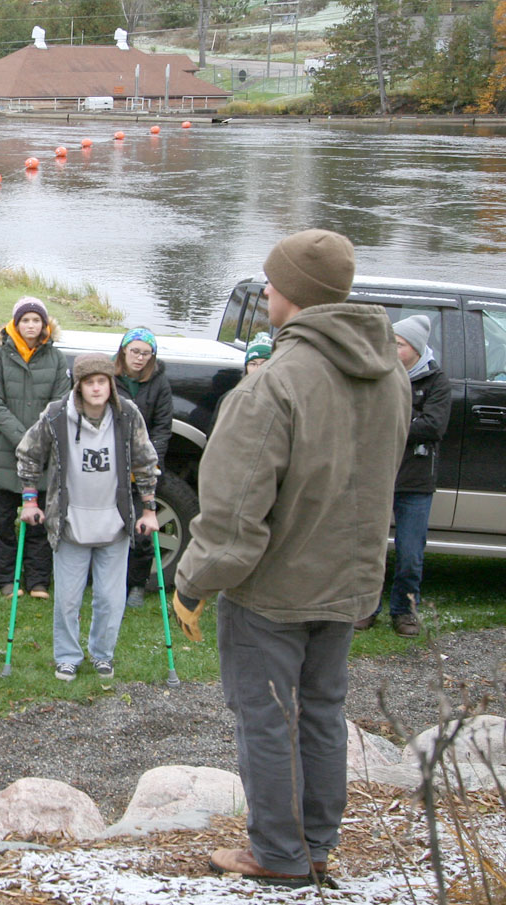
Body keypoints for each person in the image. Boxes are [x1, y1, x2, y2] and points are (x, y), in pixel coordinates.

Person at [172, 229, 409, 887]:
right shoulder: (390, 372)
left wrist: (192, 582)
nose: (268, 292)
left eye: (273, 282)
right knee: (324, 712)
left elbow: (233, 514)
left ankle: (279, 853)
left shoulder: (276, 383)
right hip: (348, 582)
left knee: (269, 719)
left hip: (274, 590)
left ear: (293, 294)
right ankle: (315, 845)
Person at [16, 354, 159, 685]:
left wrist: (149, 509)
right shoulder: (56, 415)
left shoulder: (128, 415)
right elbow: (28, 454)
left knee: (110, 599)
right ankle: (67, 657)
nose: (96, 388)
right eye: (89, 382)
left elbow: (145, 460)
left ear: (111, 385)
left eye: (102, 382)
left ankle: (102, 653)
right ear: (78, 386)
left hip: (114, 524)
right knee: (67, 599)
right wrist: (29, 500)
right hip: (70, 524)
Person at [356, 314, 450, 637]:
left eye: (400, 344)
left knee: (410, 554)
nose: (393, 349)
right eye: (391, 342)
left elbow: (433, 427)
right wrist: (406, 420)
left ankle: (405, 611)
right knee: (370, 549)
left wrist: (392, 419)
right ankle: (366, 607)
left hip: (416, 481)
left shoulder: (437, 382)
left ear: (417, 349)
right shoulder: (378, 375)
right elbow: (365, 417)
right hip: (378, 476)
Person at [0, 298, 71, 601]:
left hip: (45, 453)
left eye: (36, 320)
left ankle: (38, 579)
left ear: (45, 324)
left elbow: (61, 402)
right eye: (25, 320)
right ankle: (5, 578)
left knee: (40, 520)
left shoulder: (56, 358)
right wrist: (24, 439)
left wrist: (39, 440)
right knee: (3, 519)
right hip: (5, 451)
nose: (31, 326)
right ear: (15, 324)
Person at [112, 326, 173, 609]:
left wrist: (149, 462)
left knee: (142, 530)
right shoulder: (109, 378)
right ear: (124, 350)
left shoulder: (160, 383)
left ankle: (136, 584)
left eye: (146, 354)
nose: (139, 358)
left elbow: (162, 426)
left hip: (142, 467)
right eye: (135, 351)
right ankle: (107, 580)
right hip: (111, 465)